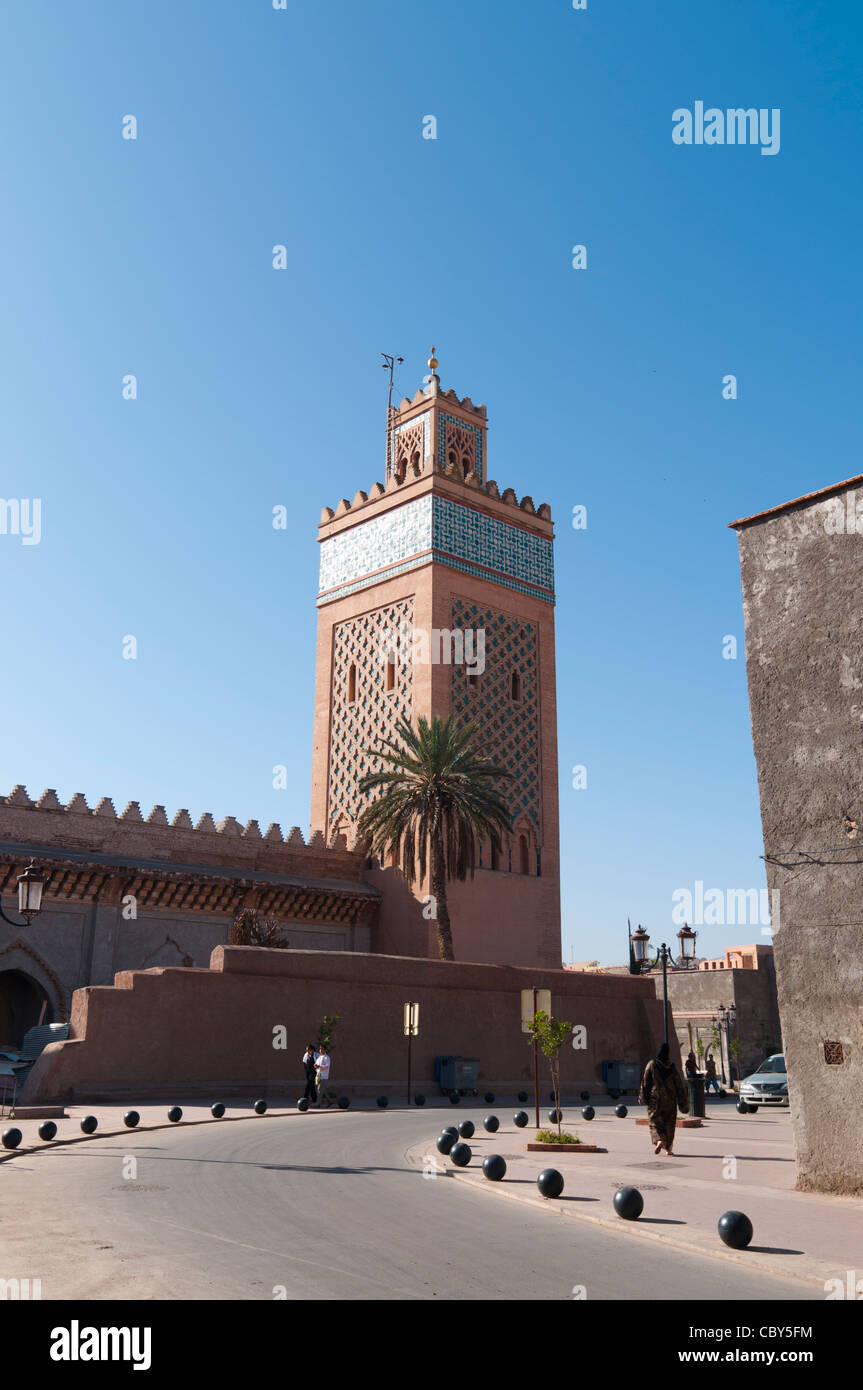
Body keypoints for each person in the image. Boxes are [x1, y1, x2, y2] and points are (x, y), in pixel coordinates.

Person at [639, 1042, 689, 1155]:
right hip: (670, 1100)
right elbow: (679, 1085)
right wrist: (683, 1104)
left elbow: (645, 1082)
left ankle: (659, 1141)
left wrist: (643, 1097)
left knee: (655, 1122)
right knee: (669, 1124)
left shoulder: (652, 1064)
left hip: (655, 1100)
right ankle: (668, 1149)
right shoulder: (672, 1066)